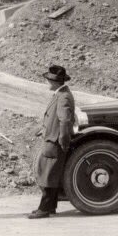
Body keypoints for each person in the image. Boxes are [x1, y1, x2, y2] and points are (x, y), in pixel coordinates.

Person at [28, 65, 76, 219]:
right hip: (52, 138)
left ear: (55, 82)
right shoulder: (60, 94)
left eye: (48, 80)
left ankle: (44, 209)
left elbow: (65, 120)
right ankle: (50, 207)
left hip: (55, 141)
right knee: (51, 174)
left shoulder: (63, 96)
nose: (47, 82)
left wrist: (63, 141)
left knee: (48, 175)